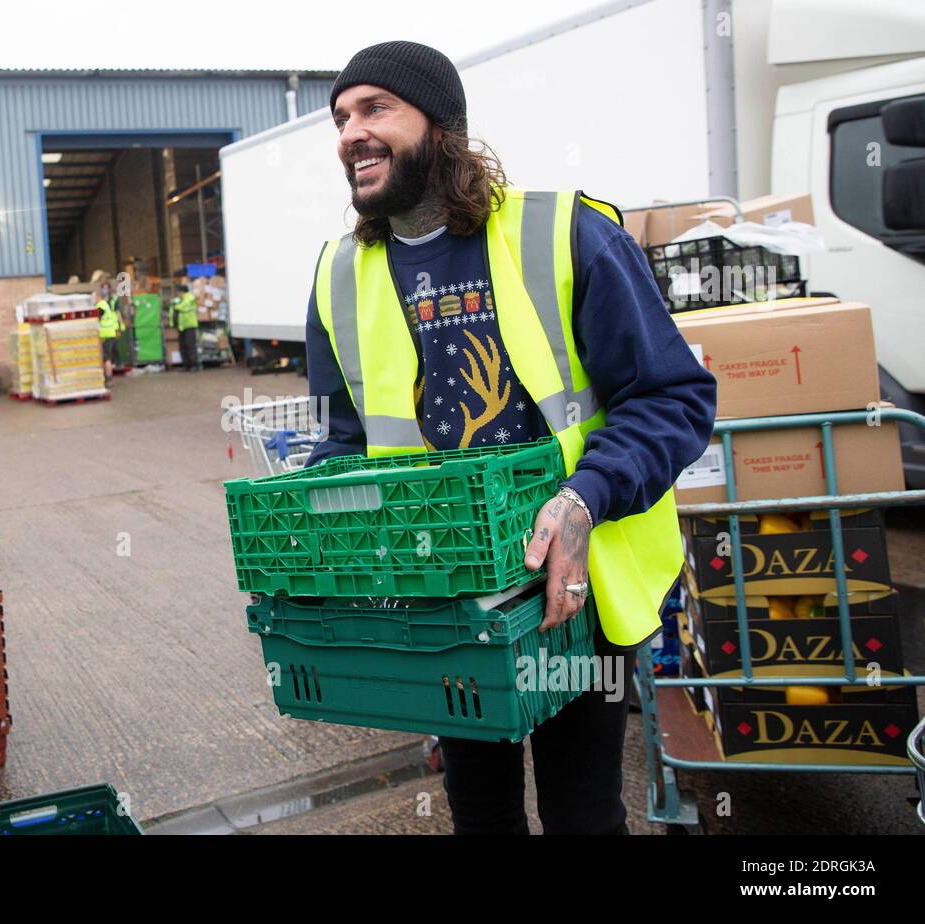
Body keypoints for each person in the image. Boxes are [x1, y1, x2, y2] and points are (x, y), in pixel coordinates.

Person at [304, 41, 717, 835]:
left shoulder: (563, 233)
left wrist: (584, 499)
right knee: (480, 812)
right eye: (341, 116)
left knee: (583, 812)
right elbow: (341, 441)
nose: (350, 132)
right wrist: (325, 542)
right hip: (449, 608)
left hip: (576, 593)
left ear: (443, 127)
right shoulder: (337, 276)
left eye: (375, 108)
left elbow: (672, 395)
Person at [96, 281, 125, 384]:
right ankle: (111, 371)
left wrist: (121, 324)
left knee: (107, 356)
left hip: (107, 332)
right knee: (109, 354)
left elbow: (117, 312)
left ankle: (108, 376)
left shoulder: (104, 304)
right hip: (109, 331)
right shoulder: (105, 304)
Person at [170, 287, 200, 371]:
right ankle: (186, 365)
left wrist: (175, 305)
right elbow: (173, 309)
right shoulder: (179, 299)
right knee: (182, 346)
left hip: (189, 325)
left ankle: (194, 365)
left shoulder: (190, 297)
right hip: (181, 326)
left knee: (190, 345)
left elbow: (183, 307)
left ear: (182, 292)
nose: (177, 294)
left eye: (178, 292)